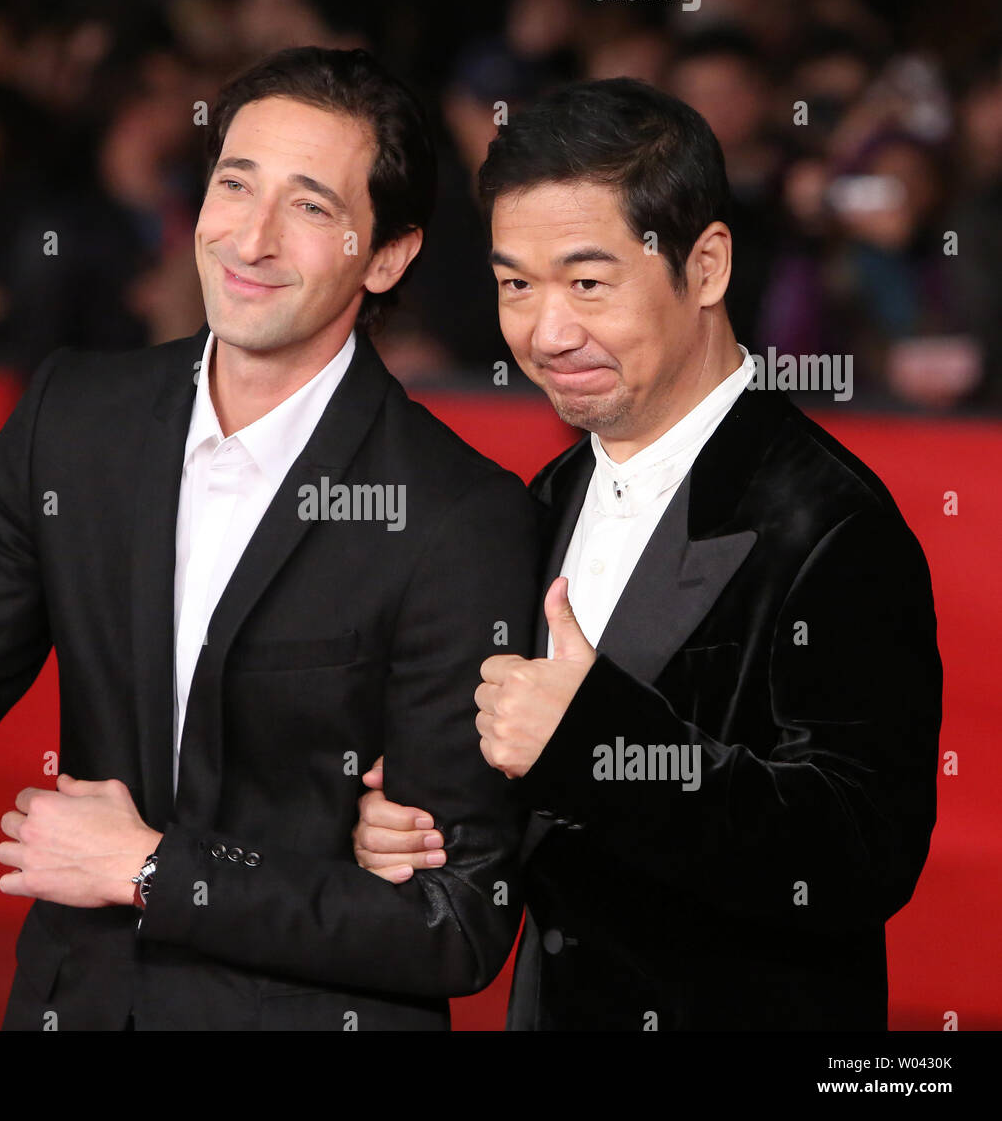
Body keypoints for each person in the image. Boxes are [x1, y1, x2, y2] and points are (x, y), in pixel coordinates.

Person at [0, 46, 539, 1031]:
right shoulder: (74, 420)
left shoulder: (457, 514)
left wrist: (153, 868)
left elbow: (454, 921)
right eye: (233, 184)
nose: (248, 238)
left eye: (307, 206)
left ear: (385, 254)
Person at [352, 77, 942, 1030]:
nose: (546, 332)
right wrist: (420, 828)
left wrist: (597, 740)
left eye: (589, 282)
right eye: (516, 285)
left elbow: (857, 854)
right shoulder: (540, 503)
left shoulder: (833, 521)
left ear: (705, 267)